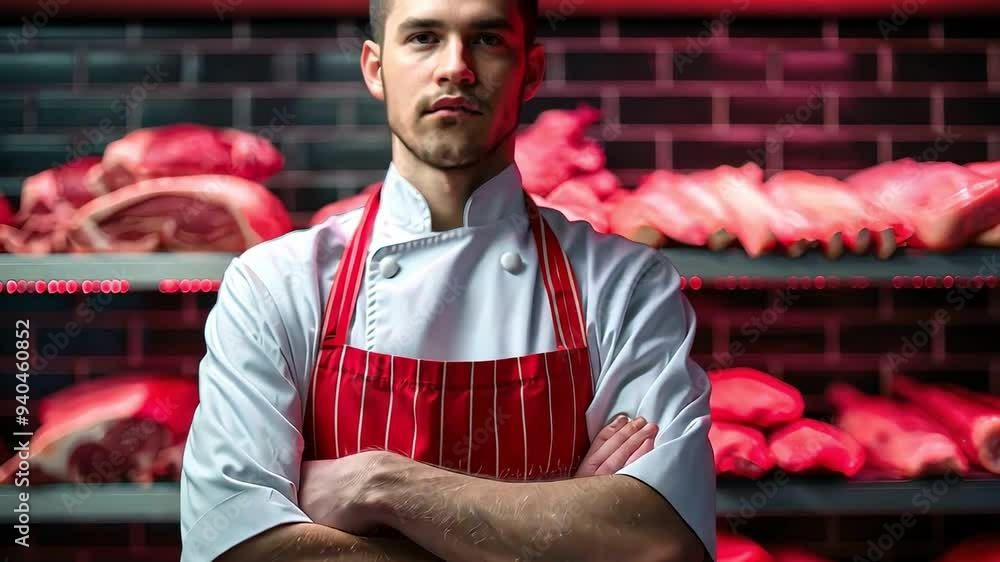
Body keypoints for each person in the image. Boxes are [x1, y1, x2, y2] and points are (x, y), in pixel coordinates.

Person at [179, 0, 716, 560]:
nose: (455, 66)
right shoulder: (274, 285)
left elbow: (663, 541)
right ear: (374, 68)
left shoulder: (626, 286)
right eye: (423, 37)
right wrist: (566, 522)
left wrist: (379, 484)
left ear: (531, 71)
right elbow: (234, 546)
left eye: (486, 39)